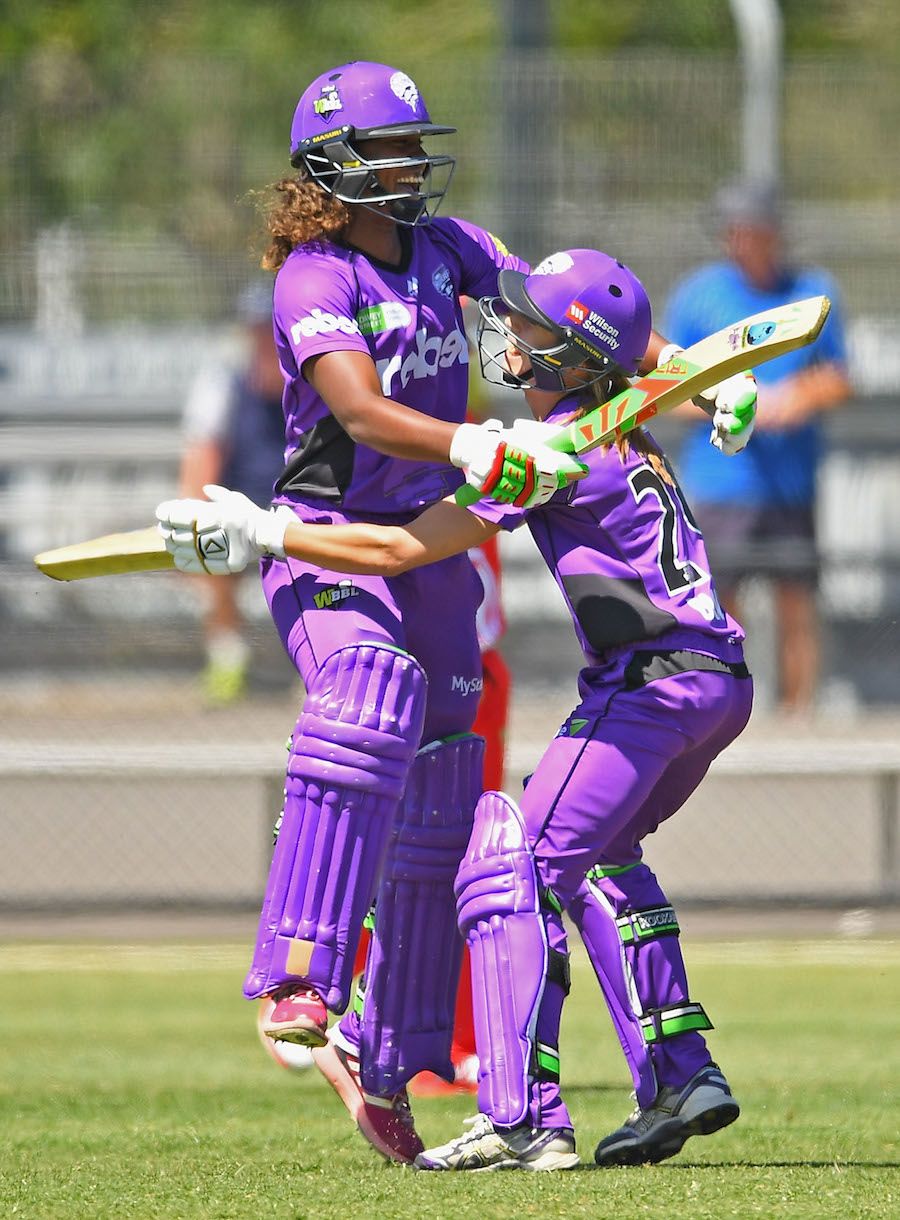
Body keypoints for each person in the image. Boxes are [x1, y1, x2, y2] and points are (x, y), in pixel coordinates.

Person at [157, 246, 756, 1170]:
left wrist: (267, 532)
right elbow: (632, 354)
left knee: (507, 858)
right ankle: (681, 1072)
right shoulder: (623, 424)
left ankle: (523, 1115)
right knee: (600, 857)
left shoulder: (553, 454)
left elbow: (399, 549)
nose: (507, 330)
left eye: (529, 325)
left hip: (651, 685)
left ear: (566, 356)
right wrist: (702, 383)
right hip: (719, 678)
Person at [165, 57, 648, 1166]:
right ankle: (299, 973)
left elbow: (555, 314)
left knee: (444, 796)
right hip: (329, 540)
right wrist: (473, 440)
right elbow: (362, 412)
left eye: (413, 147)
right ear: (332, 164)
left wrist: (684, 370)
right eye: (386, 149)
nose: (408, 166)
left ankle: (385, 1054)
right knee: (367, 693)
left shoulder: (451, 249)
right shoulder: (314, 277)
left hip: (431, 549)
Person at [664, 179, 851, 714]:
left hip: (790, 484)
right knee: (721, 605)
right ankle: (725, 709)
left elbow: (839, 377)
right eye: (734, 230)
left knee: (797, 600)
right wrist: (727, 404)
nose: (742, 241)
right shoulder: (698, 295)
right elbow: (663, 390)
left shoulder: (812, 291)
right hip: (722, 482)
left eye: (753, 230)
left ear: (775, 233)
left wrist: (796, 398)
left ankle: (798, 716)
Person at [178, 281, 287, 703]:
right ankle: (228, 659)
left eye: (271, 330)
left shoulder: (316, 382)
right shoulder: (224, 384)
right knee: (207, 551)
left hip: (302, 508)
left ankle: (319, 670)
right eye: (256, 329)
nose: (265, 340)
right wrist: (192, 518)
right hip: (239, 506)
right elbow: (202, 455)